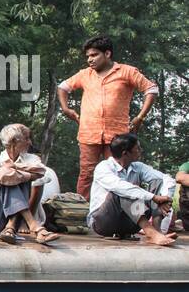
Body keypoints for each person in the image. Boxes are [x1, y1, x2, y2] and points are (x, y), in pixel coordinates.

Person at [57, 35, 159, 199]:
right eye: (88, 56)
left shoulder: (126, 71)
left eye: (94, 55)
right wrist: (65, 108)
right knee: (86, 174)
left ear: (107, 54)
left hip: (117, 135)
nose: (90, 59)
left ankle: (123, 212)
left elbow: (151, 90)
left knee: (119, 172)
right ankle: (83, 214)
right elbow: (63, 87)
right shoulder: (85, 74)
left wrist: (140, 117)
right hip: (89, 132)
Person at [0, 133, 58, 244]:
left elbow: (40, 171)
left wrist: (15, 167)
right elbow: (3, 176)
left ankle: (10, 227)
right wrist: (21, 173)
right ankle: (34, 226)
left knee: (18, 179)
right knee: (8, 180)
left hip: (1, 219)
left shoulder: (2, 168)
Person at [88, 133, 176, 246]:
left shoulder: (138, 167)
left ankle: (157, 230)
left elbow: (166, 179)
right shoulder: (103, 167)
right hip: (104, 223)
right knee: (124, 191)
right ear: (126, 153)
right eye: (137, 148)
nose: (141, 150)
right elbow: (121, 187)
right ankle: (150, 232)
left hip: (131, 224)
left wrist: (165, 199)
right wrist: (153, 197)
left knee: (158, 182)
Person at [0, 124, 60, 227]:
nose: (29, 142)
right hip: (3, 210)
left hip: (29, 212)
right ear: (13, 141)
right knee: (9, 179)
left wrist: (15, 167)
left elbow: (40, 175)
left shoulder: (33, 159)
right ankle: (13, 222)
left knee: (34, 180)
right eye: (26, 138)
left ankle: (25, 221)